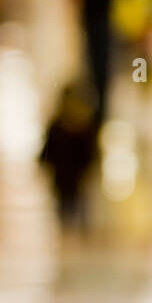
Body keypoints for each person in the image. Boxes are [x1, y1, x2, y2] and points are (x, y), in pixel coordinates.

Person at [39, 82, 98, 230]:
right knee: (64, 211)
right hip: (62, 179)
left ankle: (78, 236)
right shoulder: (57, 126)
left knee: (79, 210)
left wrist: (89, 169)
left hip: (78, 180)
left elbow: (91, 153)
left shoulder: (85, 127)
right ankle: (67, 235)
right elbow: (47, 151)